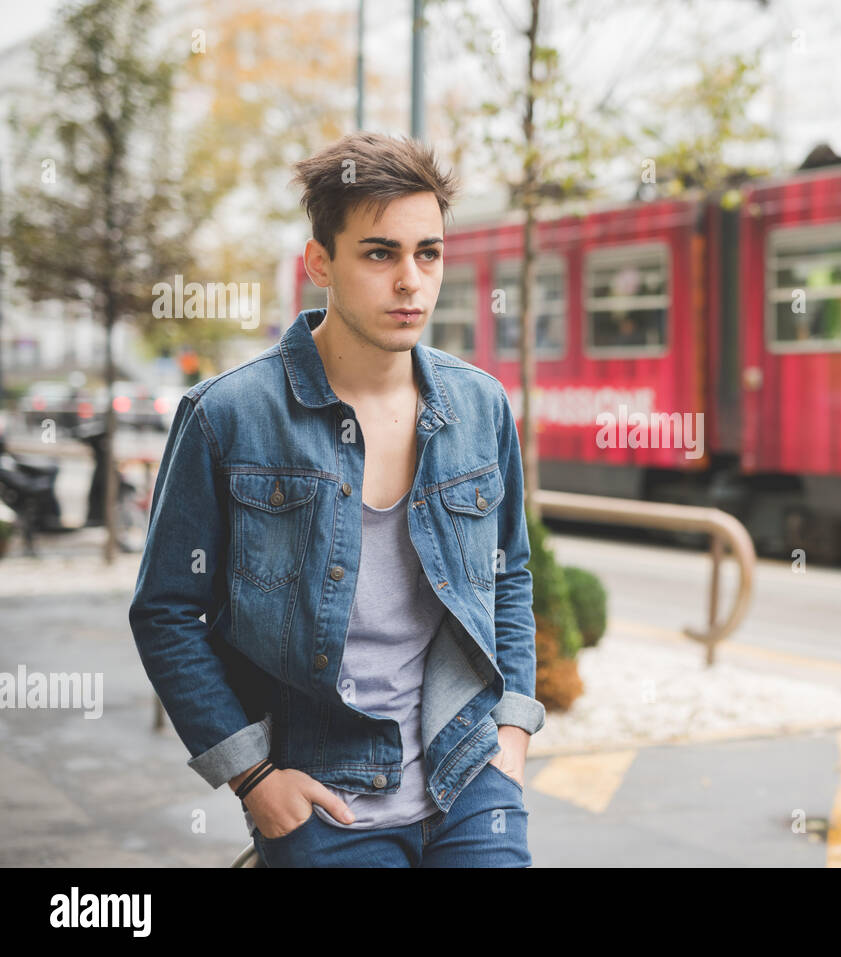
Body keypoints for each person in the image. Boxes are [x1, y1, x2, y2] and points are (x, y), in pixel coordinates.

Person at [129, 131, 544, 867]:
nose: (411, 280)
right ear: (320, 262)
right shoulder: (230, 416)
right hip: (322, 789)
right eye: (380, 253)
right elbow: (165, 611)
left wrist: (511, 731)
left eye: (429, 253)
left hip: (470, 770)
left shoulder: (481, 406)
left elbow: (509, 575)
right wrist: (254, 776)